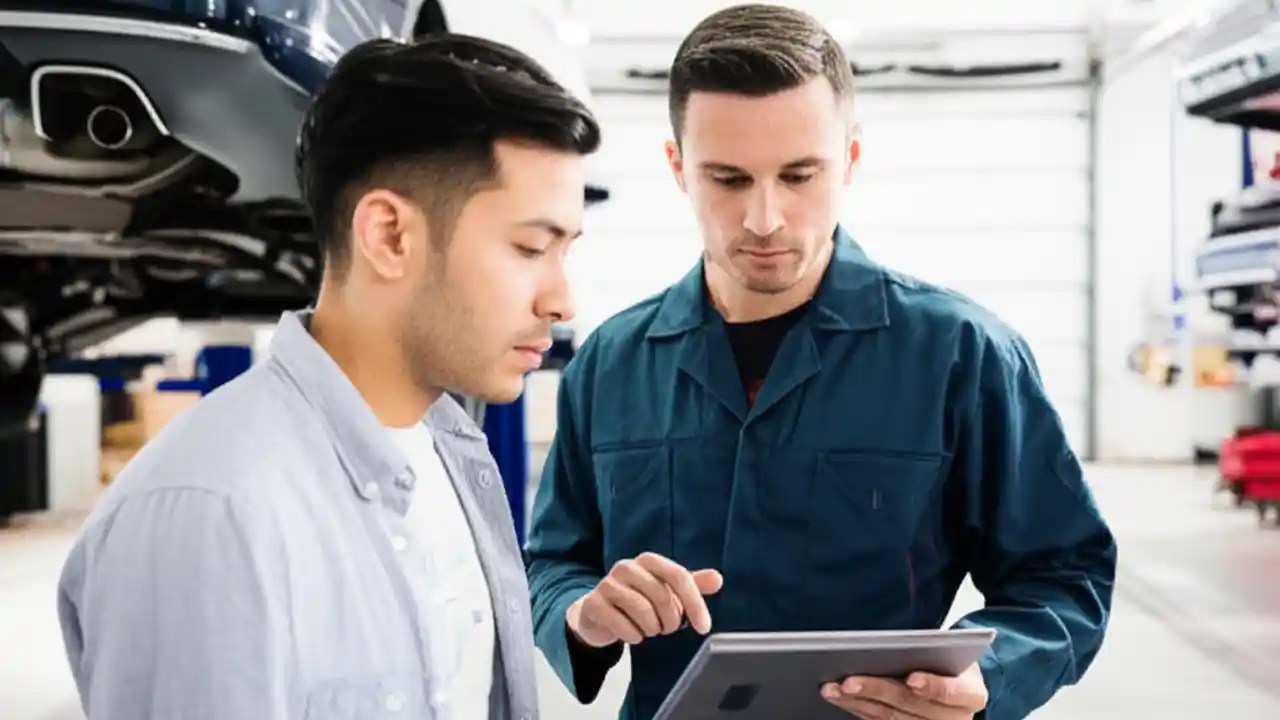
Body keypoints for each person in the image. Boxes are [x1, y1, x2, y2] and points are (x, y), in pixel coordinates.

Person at [524, 5, 1116, 720]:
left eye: (800, 175)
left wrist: (990, 674)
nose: (766, 218)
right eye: (729, 180)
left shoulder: (962, 354)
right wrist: (584, 614)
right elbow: (552, 562)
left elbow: (1063, 572)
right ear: (678, 167)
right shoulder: (612, 364)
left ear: (852, 159)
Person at [57, 33, 600, 719]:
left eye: (565, 251)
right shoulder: (213, 515)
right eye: (529, 248)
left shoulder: (456, 455)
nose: (562, 300)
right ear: (389, 236)